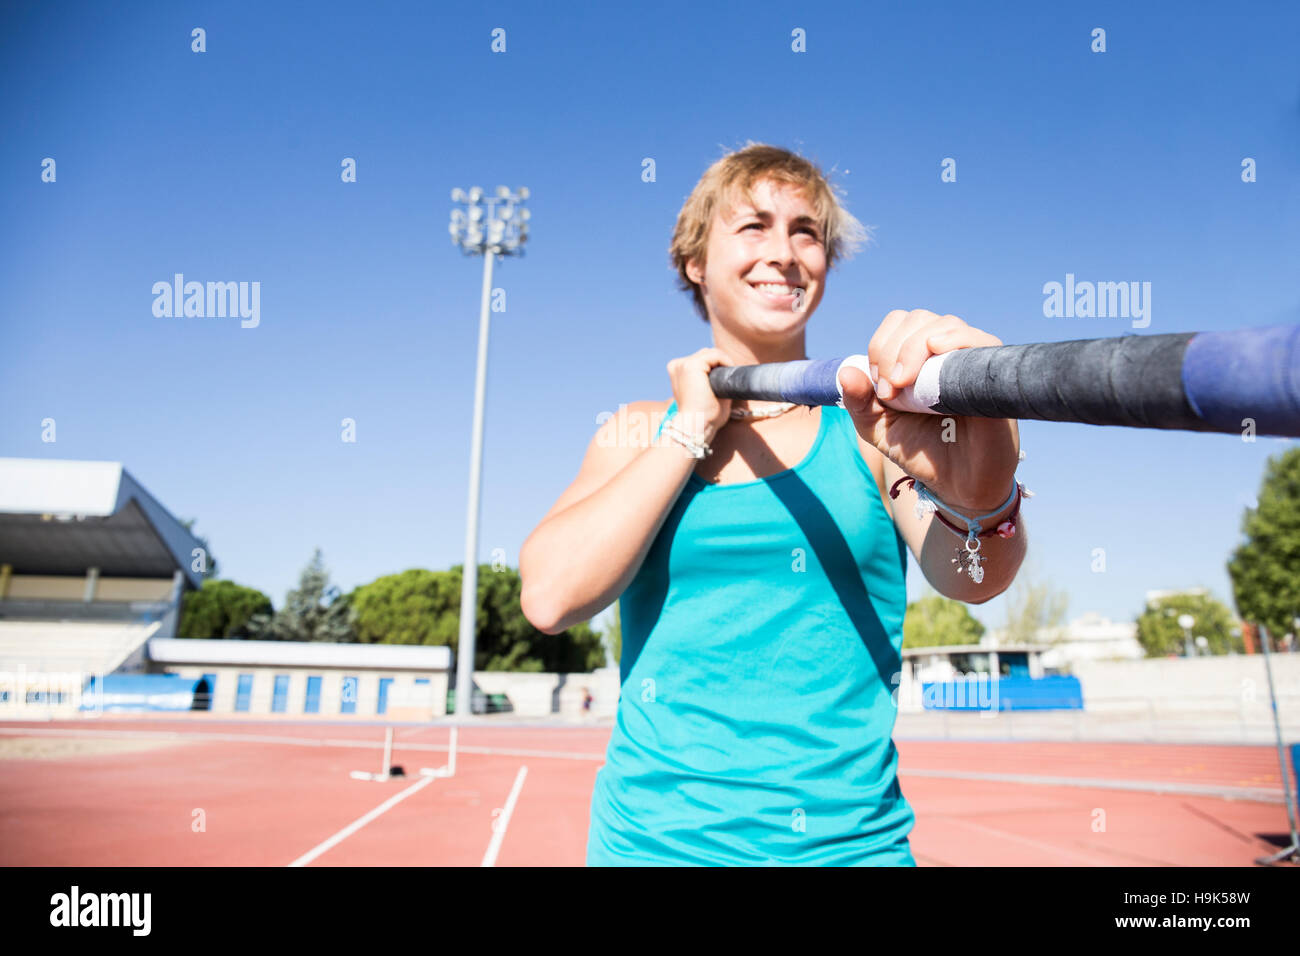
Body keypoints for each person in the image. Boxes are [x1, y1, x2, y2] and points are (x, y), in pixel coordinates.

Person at [520, 143, 1026, 866]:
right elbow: (549, 596)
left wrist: (985, 494)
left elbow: (976, 576)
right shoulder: (636, 431)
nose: (784, 252)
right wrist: (690, 426)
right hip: (653, 847)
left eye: (805, 231)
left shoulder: (873, 429)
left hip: (849, 850)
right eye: (753, 226)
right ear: (697, 260)